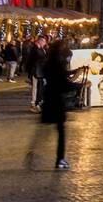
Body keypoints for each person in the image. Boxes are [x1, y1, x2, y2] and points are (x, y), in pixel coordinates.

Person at [26, 39, 72, 169]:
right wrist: (73, 85)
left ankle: (33, 151)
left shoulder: (48, 62)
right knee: (61, 132)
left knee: (43, 131)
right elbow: (63, 82)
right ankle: (60, 159)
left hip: (49, 100)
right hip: (57, 102)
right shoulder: (59, 63)